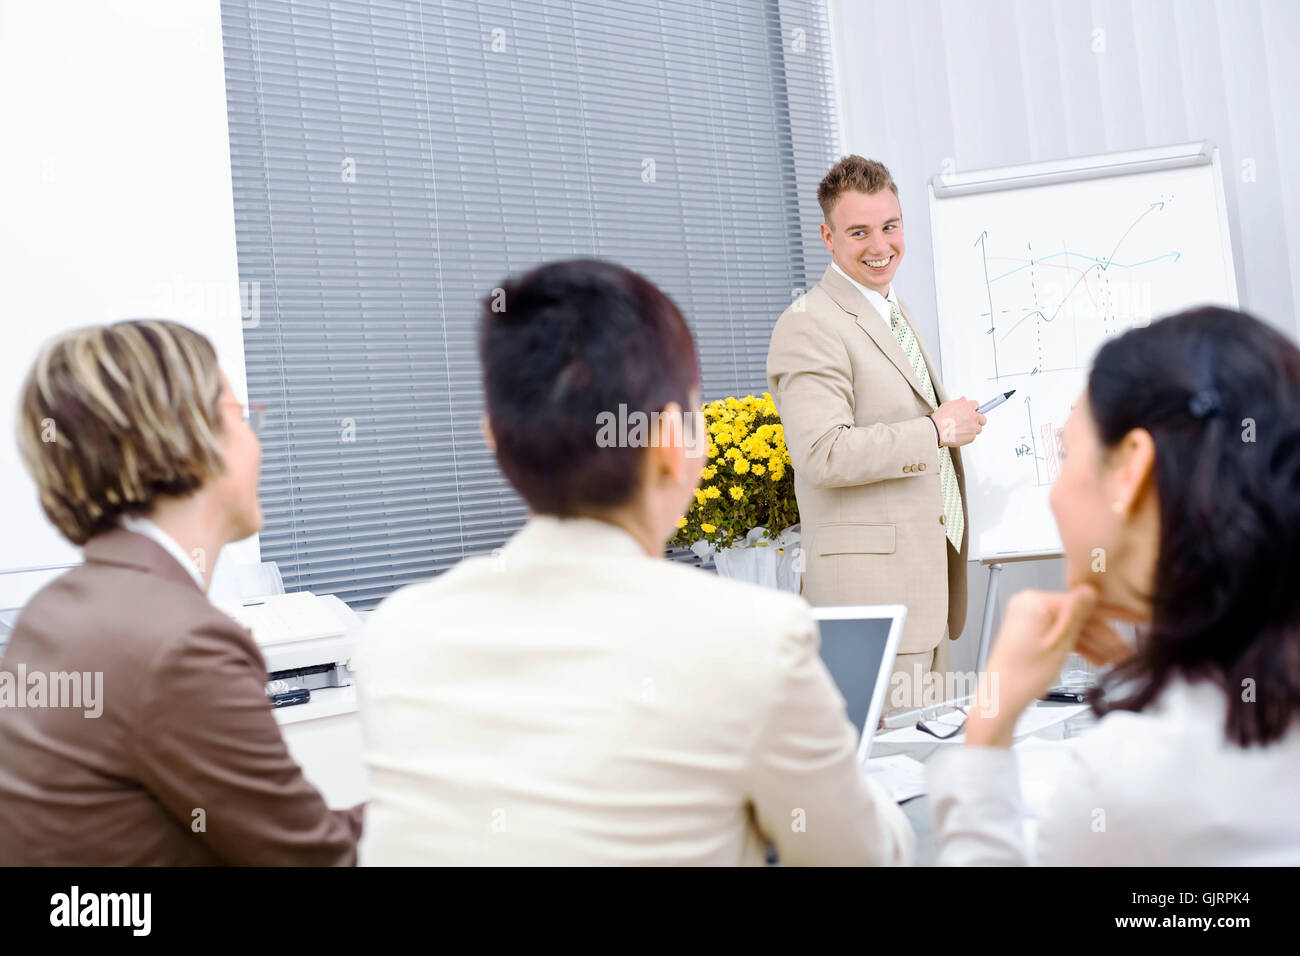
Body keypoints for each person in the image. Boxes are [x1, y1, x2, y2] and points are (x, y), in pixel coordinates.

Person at [357, 259, 913, 865]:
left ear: (495, 438)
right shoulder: (751, 639)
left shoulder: (395, 637)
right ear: (676, 443)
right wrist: (860, 790)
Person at [929, 306, 1300, 865]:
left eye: (1066, 456)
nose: (1056, 493)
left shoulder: (1127, 780)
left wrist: (987, 728)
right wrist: (1146, 663)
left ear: (1130, 470)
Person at [0, 319, 363, 865]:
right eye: (242, 419)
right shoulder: (182, 644)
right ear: (193, 441)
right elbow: (315, 860)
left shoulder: (49, 614)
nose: (258, 446)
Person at [766, 156, 985, 714]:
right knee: (886, 779)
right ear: (827, 236)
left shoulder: (891, 310)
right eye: (859, 232)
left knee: (925, 770)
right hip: (870, 606)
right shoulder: (810, 322)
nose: (879, 245)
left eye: (890, 226)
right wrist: (935, 431)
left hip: (923, 593)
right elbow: (823, 454)